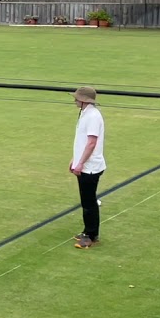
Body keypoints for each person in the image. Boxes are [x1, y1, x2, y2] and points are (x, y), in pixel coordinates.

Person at [70, 86, 106, 249]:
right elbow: (82, 141)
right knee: (86, 201)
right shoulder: (86, 113)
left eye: (77, 98)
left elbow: (91, 143)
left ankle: (91, 235)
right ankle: (88, 231)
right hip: (85, 165)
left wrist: (80, 163)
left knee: (89, 202)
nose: (74, 100)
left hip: (90, 167)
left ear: (83, 100)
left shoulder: (92, 116)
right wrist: (75, 159)